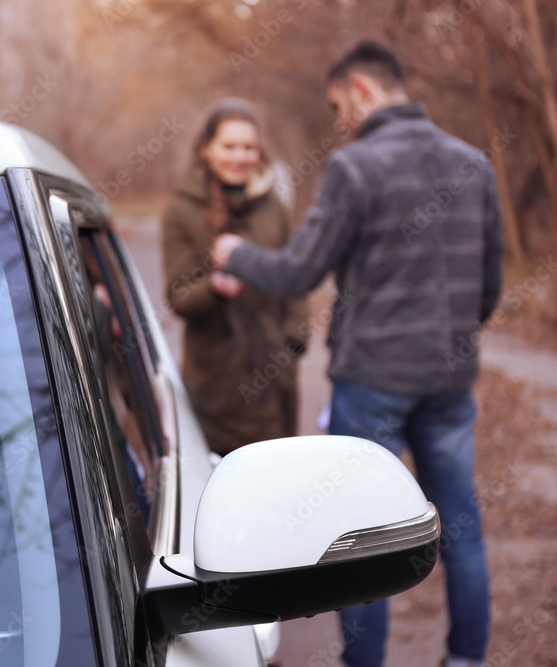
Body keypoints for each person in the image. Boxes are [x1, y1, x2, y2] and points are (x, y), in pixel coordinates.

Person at [212, 41, 503, 667]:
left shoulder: (354, 168)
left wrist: (234, 253)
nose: (339, 118)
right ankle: (468, 659)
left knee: (363, 541)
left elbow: (297, 271)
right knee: (460, 528)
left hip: (372, 383)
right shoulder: (472, 164)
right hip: (449, 383)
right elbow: (489, 288)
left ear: (364, 92)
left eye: (339, 104)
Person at [162, 98, 307, 457]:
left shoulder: (274, 206)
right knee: (223, 491)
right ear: (206, 149)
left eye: (249, 147)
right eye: (229, 146)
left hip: (277, 381)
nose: (240, 156)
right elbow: (179, 296)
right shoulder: (180, 211)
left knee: (279, 476)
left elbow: (294, 276)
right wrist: (213, 287)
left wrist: (293, 342)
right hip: (216, 386)